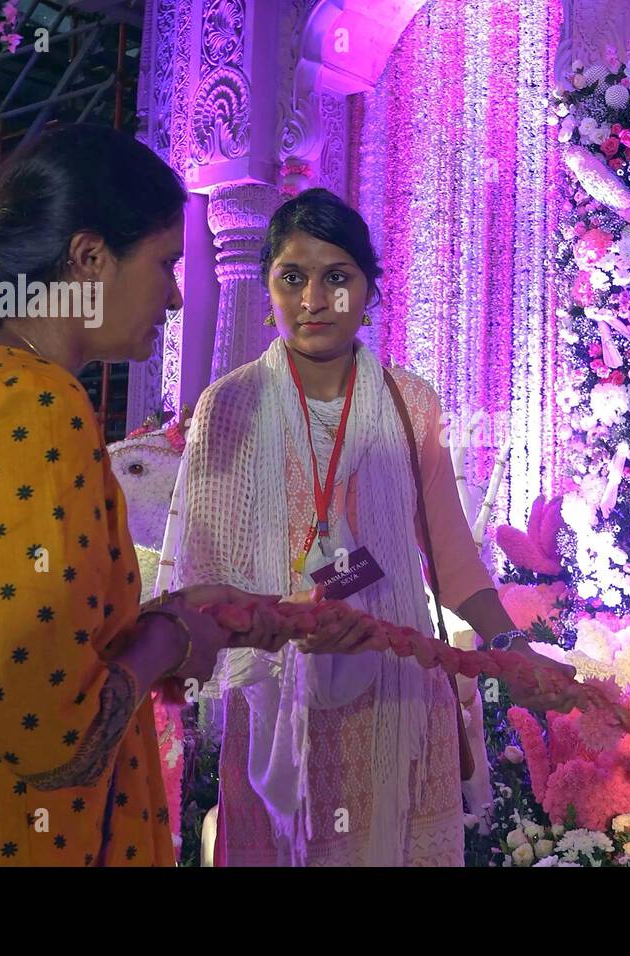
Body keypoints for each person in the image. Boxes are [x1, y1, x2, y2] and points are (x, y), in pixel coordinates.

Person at [0, 125, 350, 866]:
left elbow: (4, 640)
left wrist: (169, 615)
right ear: (87, 258)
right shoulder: (36, 406)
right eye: (164, 263)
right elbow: (52, 734)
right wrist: (172, 641)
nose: (176, 296)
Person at [166, 188, 579, 866]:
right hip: (278, 698)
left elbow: (448, 553)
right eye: (292, 277)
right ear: (268, 281)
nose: (313, 299)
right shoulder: (230, 406)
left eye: (337, 277)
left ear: (367, 289)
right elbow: (204, 572)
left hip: (397, 694)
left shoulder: (406, 400)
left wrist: (511, 645)